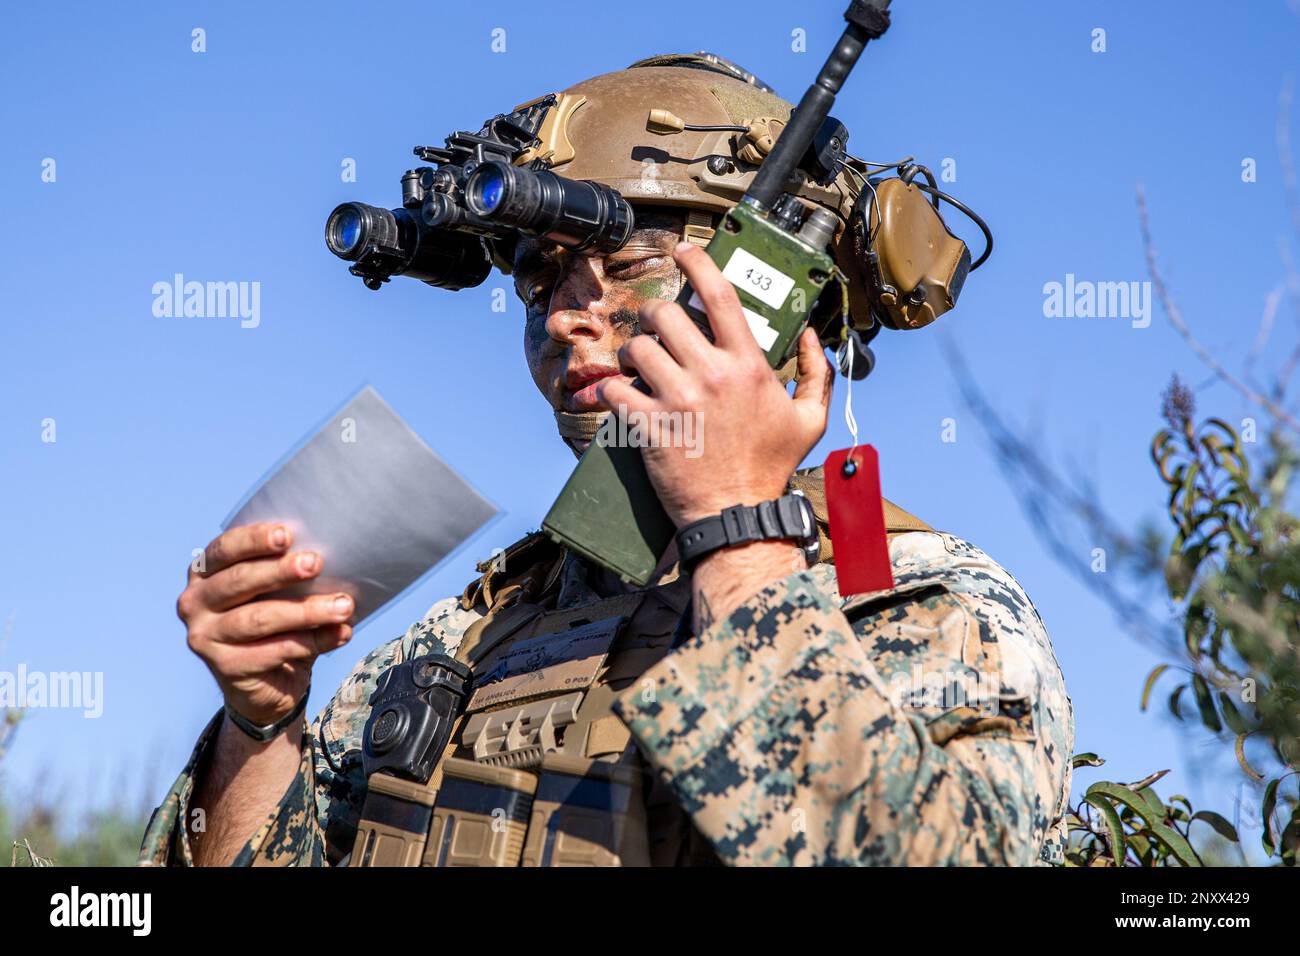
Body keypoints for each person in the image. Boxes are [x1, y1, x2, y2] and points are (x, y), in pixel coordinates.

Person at [139, 53, 1074, 867]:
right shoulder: (458, 647)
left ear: (771, 291)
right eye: (539, 278)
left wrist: (737, 529)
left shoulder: (918, 603)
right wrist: (260, 722)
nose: (562, 316)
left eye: (626, 264)